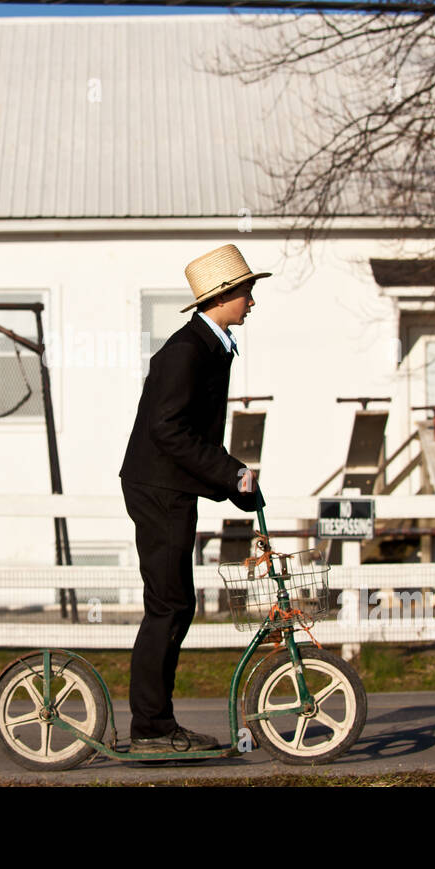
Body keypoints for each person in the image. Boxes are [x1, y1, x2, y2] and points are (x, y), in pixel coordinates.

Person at [118, 244, 271, 752]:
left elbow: (188, 436)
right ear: (223, 296)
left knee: (175, 605)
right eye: (246, 292)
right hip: (158, 489)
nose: (251, 301)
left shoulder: (210, 345)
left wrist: (234, 485)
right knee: (168, 605)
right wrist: (230, 472)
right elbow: (168, 429)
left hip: (169, 486)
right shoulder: (188, 349)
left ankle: (156, 723)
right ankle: (151, 728)